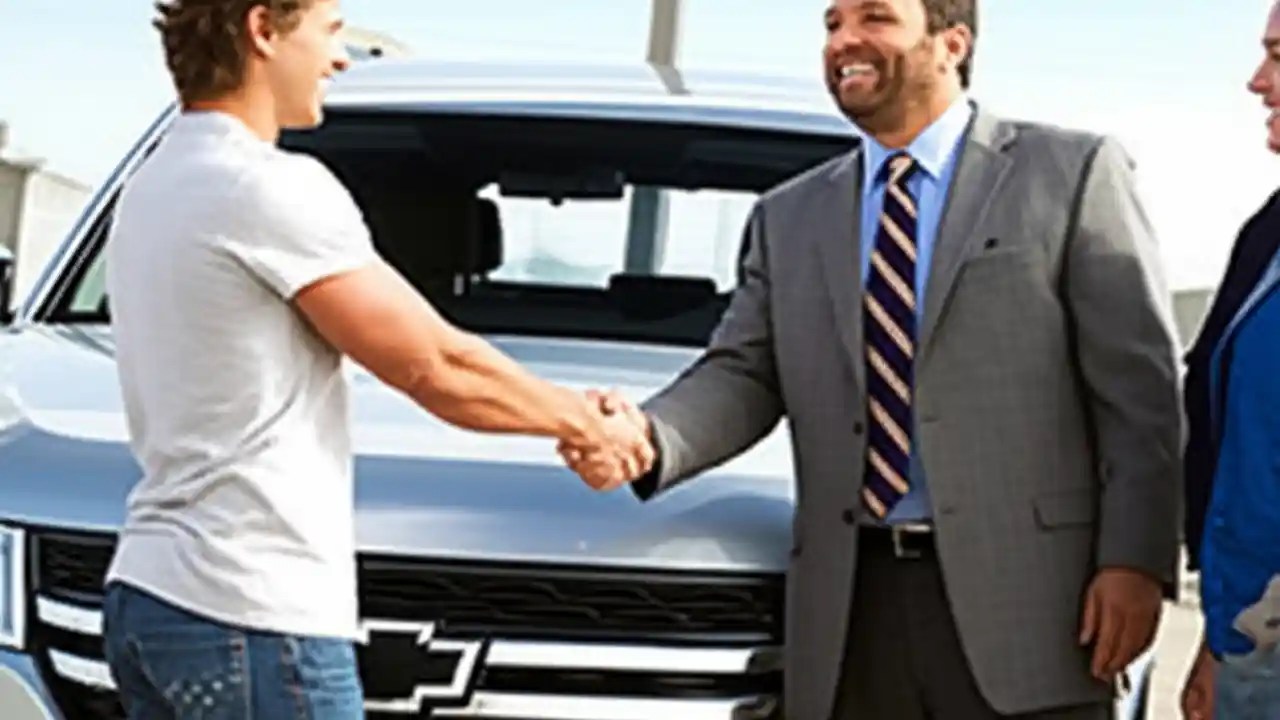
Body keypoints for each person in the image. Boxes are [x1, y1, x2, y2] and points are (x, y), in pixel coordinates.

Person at [561, 0, 1184, 718]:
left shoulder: (1070, 173)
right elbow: (743, 373)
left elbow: (1140, 394)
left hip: (1036, 604)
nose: (844, 41)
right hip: (853, 607)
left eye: (874, 18)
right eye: (831, 24)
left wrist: (1136, 561)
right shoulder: (788, 217)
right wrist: (647, 436)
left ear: (952, 43)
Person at [99, 1, 650, 717]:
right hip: (249, 610)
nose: (340, 60)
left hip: (153, 595)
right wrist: (587, 424)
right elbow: (435, 366)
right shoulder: (263, 184)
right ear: (263, 29)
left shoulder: (150, 184)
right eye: (329, 32)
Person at [1179, 3, 1280, 718]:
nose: (1256, 81)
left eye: (1279, 56)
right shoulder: (1267, 235)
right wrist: (1219, 641)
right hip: (1255, 649)